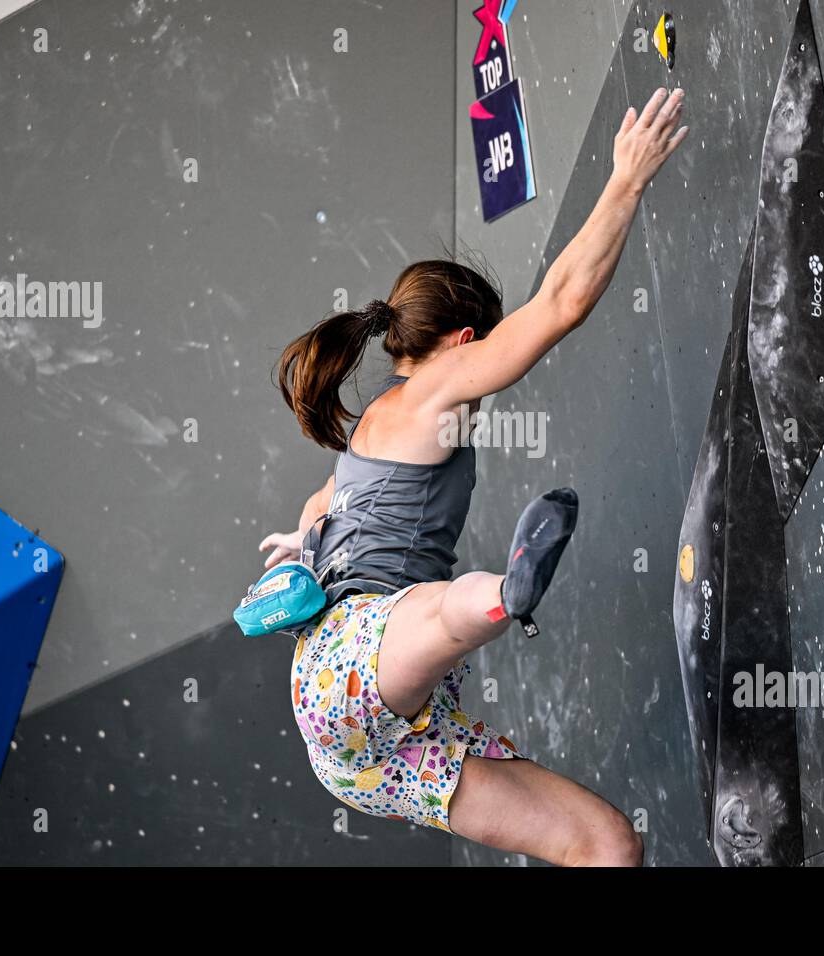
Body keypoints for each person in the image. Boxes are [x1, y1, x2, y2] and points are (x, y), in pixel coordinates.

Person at [262, 86, 687, 866]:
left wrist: (300, 538)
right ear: (462, 341)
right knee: (437, 610)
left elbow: (324, 500)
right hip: (354, 659)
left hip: (367, 754)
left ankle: (493, 599)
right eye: (483, 354)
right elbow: (558, 303)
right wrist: (625, 179)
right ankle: (505, 595)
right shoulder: (434, 391)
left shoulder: (370, 433)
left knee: (607, 846)